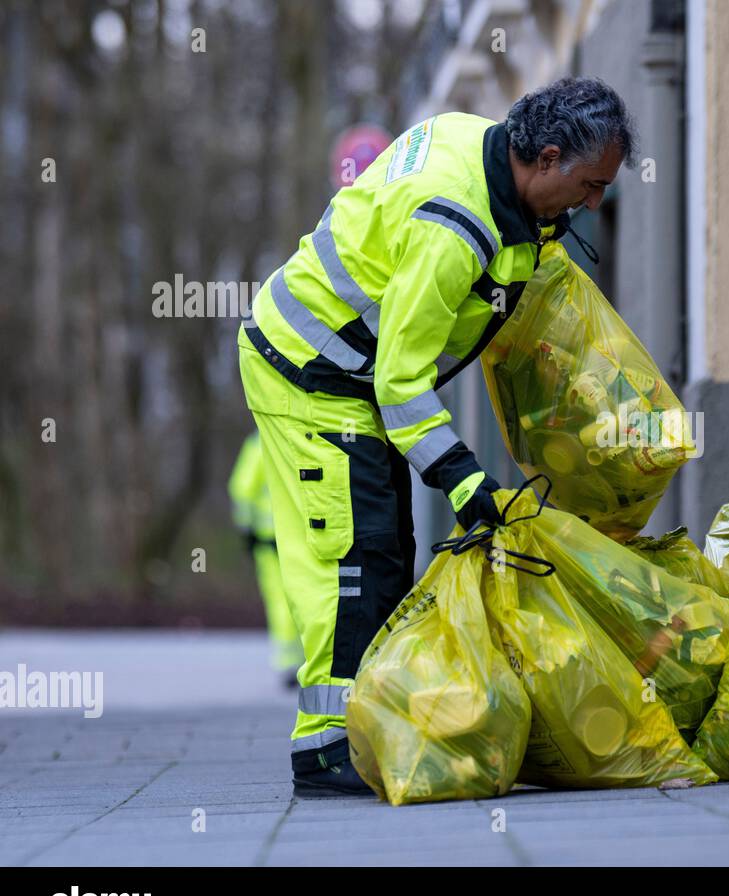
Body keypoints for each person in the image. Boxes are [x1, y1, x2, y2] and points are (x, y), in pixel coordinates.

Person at [236, 76, 636, 796]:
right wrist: (462, 476)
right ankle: (327, 750)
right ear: (546, 159)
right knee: (353, 556)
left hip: (347, 368)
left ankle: (373, 720)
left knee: (386, 545)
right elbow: (399, 378)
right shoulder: (453, 224)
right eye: (591, 183)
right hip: (309, 369)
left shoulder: (488, 161)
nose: (594, 203)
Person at [227, 431, 304, 686]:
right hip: (304, 533)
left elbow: (241, 491)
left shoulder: (257, 443)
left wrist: (246, 529)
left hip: (268, 538)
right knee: (307, 595)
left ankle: (288, 662)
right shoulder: (300, 433)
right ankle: (310, 660)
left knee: (280, 600)